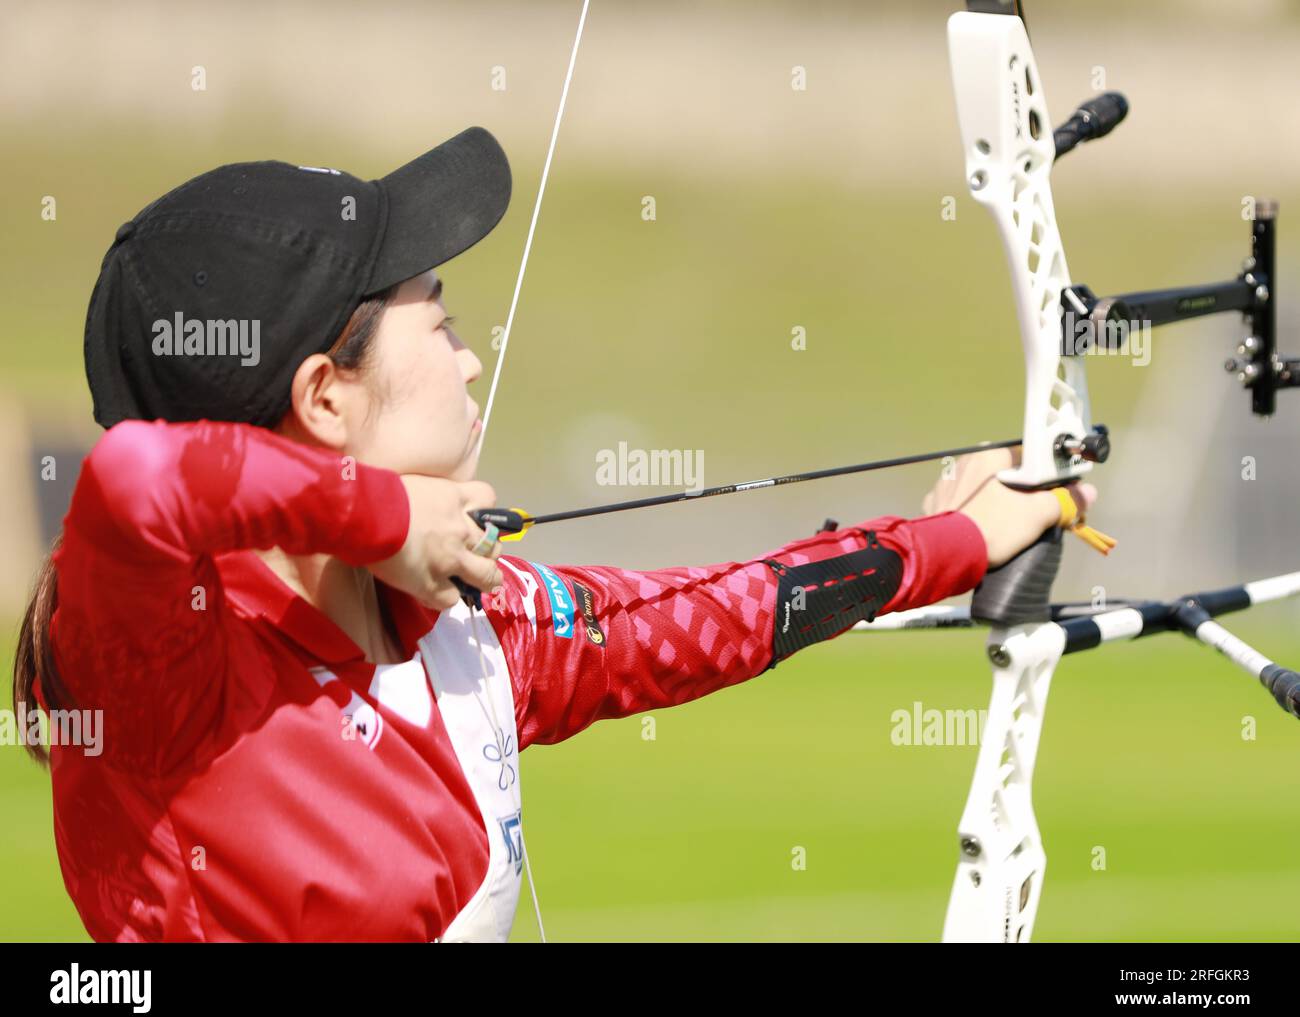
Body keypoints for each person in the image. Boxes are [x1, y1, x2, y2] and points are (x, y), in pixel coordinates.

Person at [11, 126, 1091, 942]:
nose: (470, 358)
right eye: (438, 321)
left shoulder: (467, 624)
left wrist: (951, 539)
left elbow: (709, 615)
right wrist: (385, 515)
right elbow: (137, 479)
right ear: (325, 399)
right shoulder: (164, 664)